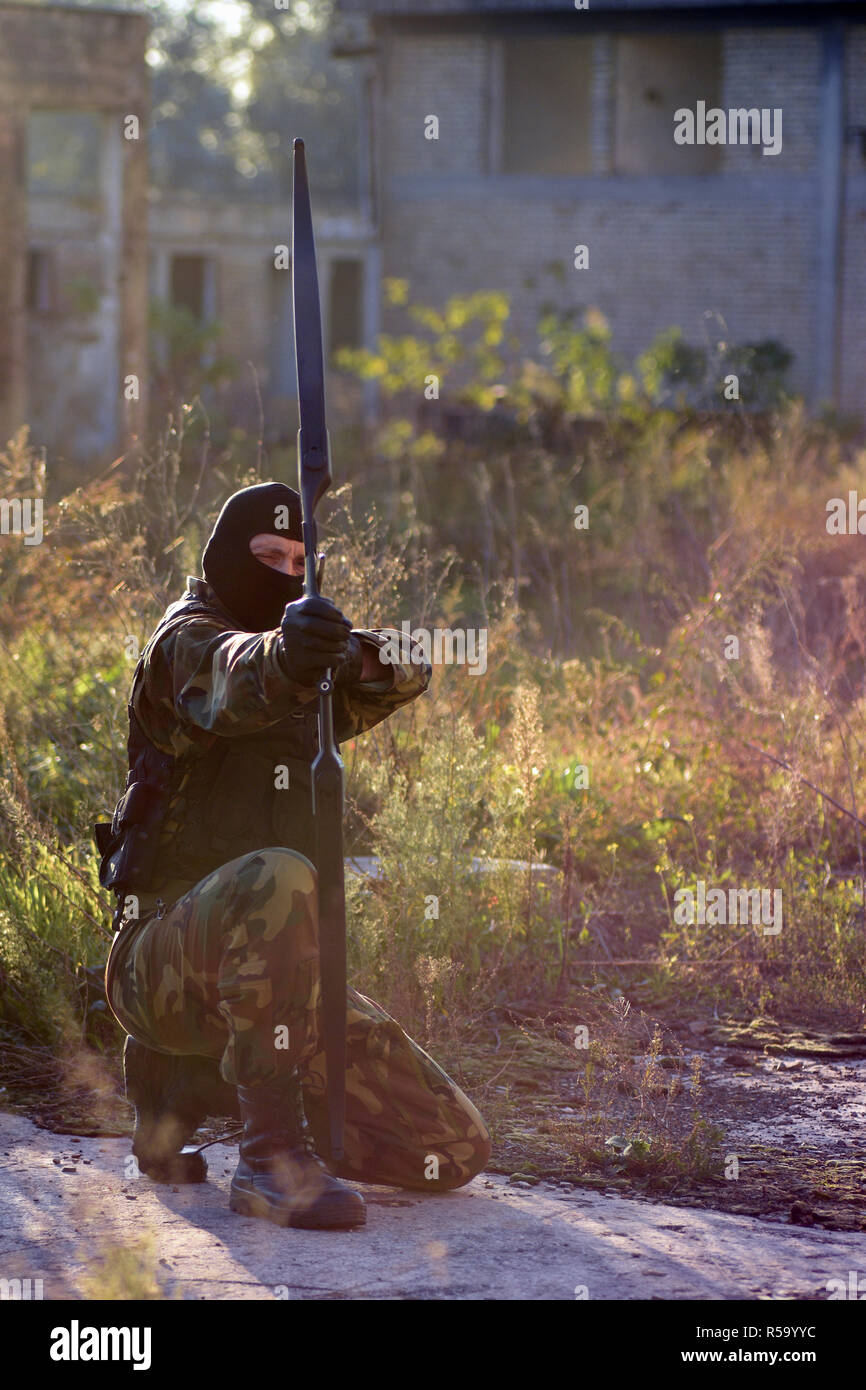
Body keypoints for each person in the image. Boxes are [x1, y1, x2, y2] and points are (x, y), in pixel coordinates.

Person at [97, 482, 491, 1230]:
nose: (283, 572)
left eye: (299, 562)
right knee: (280, 875)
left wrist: (335, 652)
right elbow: (233, 680)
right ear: (221, 558)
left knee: (450, 1145)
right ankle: (270, 1155)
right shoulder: (183, 645)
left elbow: (408, 671)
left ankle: (196, 1090)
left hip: (273, 986)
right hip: (157, 966)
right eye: (266, 556)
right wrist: (285, 654)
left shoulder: (303, 674)